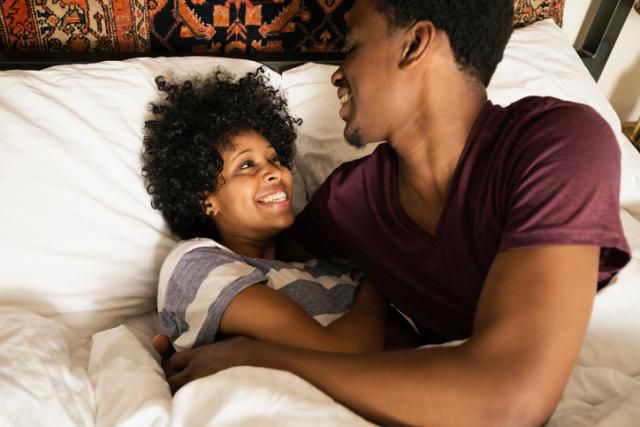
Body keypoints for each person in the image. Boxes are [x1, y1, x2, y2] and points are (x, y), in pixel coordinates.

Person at [153, 0, 632, 425]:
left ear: (415, 44)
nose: (337, 73)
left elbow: (509, 399)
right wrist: (194, 324)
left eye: (352, 47)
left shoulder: (557, 143)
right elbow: (264, 259)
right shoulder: (346, 202)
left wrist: (259, 357)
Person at [142, 68, 386, 357]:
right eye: (246, 165)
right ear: (206, 201)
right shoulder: (194, 266)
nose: (274, 172)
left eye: (275, 159)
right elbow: (344, 352)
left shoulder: (332, 264)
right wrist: (376, 283)